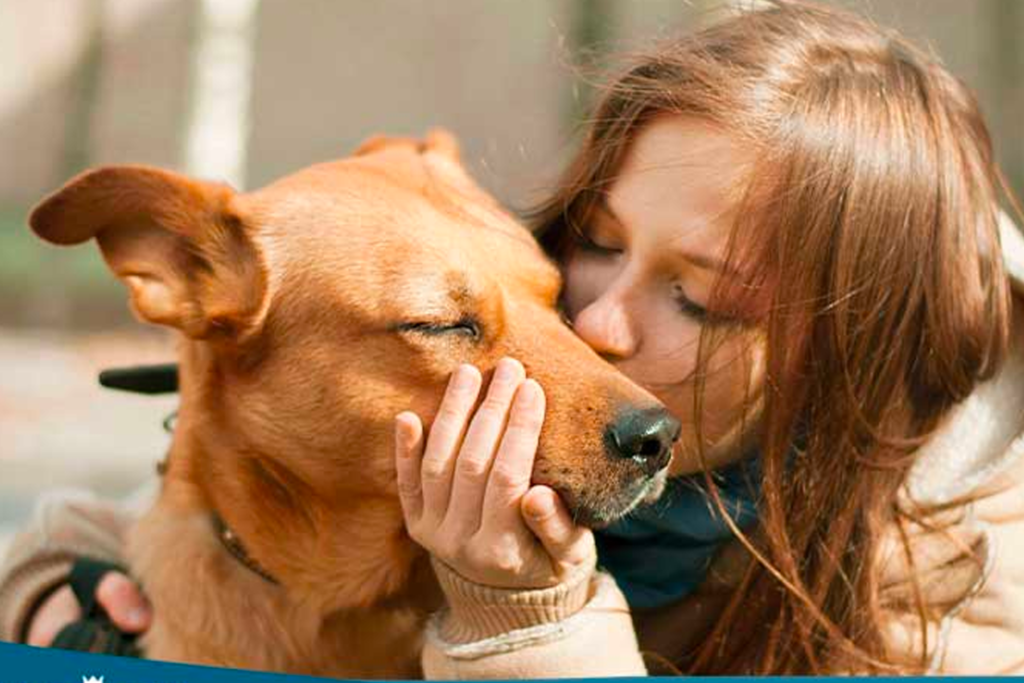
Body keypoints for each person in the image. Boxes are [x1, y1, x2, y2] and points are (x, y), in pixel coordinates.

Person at [4, 0, 1024, 675]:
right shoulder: (466, 375)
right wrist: (52, 600)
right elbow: (198, 496)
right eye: (590, 242)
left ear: (858, 351)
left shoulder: (961, 587)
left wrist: (522, 612)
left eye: (708, 302)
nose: (591, 328)